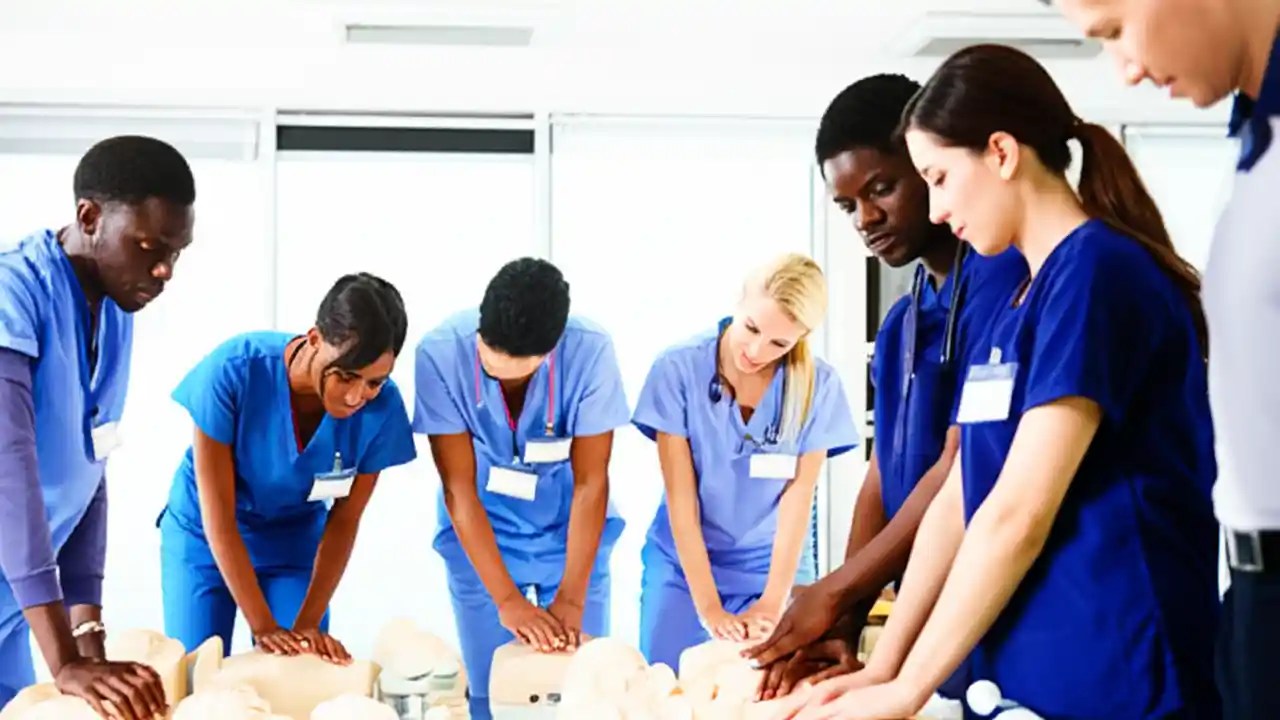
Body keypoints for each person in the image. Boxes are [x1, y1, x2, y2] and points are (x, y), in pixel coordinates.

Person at [775, 44, 1220, 720]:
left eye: (940, 177)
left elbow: (1017, 512)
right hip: (1031, 673)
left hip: (1118, 664)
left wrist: (906, 688)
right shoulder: (1019, 306)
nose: (938, 204)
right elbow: (961, 496)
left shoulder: (1097, 272)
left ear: (1002, 153)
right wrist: (887, 666)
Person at [743, 75, 1028, 704]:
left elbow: (961, 465)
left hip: (998, 602)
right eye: (847, 206)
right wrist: (846, 616)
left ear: (929, 164)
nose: (865, 219)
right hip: (925, 610)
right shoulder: (901, 321)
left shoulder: (1007, 282)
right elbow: (882, 474)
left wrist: (840, 589)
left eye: (880, 189)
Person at [1048, 2, 1280, 717]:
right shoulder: (1254, 141)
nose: (1127, 71)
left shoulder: (1098, 269)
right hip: (1249, 596)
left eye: (1116, 28)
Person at [0, 135, 196, 718]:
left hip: (14, 605)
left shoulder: (115, 306)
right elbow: (9, 472)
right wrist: (64, 660)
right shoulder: (14, 293)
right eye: (148, 246)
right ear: (89, 216)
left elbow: (92, 465)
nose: (163, 270)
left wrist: (90, 640)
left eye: (177, 252)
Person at [158, 273, 416, 664]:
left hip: (292, 544)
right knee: (194, 673)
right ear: (315, 339)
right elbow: (219, 517)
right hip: (204, 536)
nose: (355, 396)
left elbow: (344, 521)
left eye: (374, 382)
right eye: (345, 375)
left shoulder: (382, 410)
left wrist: (307, 624)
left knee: (299, 665)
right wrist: (262, 626)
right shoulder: (235, 370)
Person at [413, 257, 630, 720]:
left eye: (519, 373)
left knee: (584, 690)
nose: (500, 378)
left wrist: (572, 596)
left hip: (570, 535)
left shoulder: (589, 352)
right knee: (493, 692)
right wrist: (507, 601)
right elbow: (459, 488)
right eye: (489, 366)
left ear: (551, 351)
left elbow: (592, 483)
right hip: (482, 538)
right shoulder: (441, 353)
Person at [632, 253, 860, 674]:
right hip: (684, 565)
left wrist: (774, 599)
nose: (756, 352)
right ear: (738, 302)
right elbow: (682, 500)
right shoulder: (678, 369)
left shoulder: (818, 386)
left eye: (779, 343)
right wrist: (709, 608)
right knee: (666, 686)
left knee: (768, 690)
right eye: (751, 328)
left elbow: (798, 501)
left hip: (772, 563)